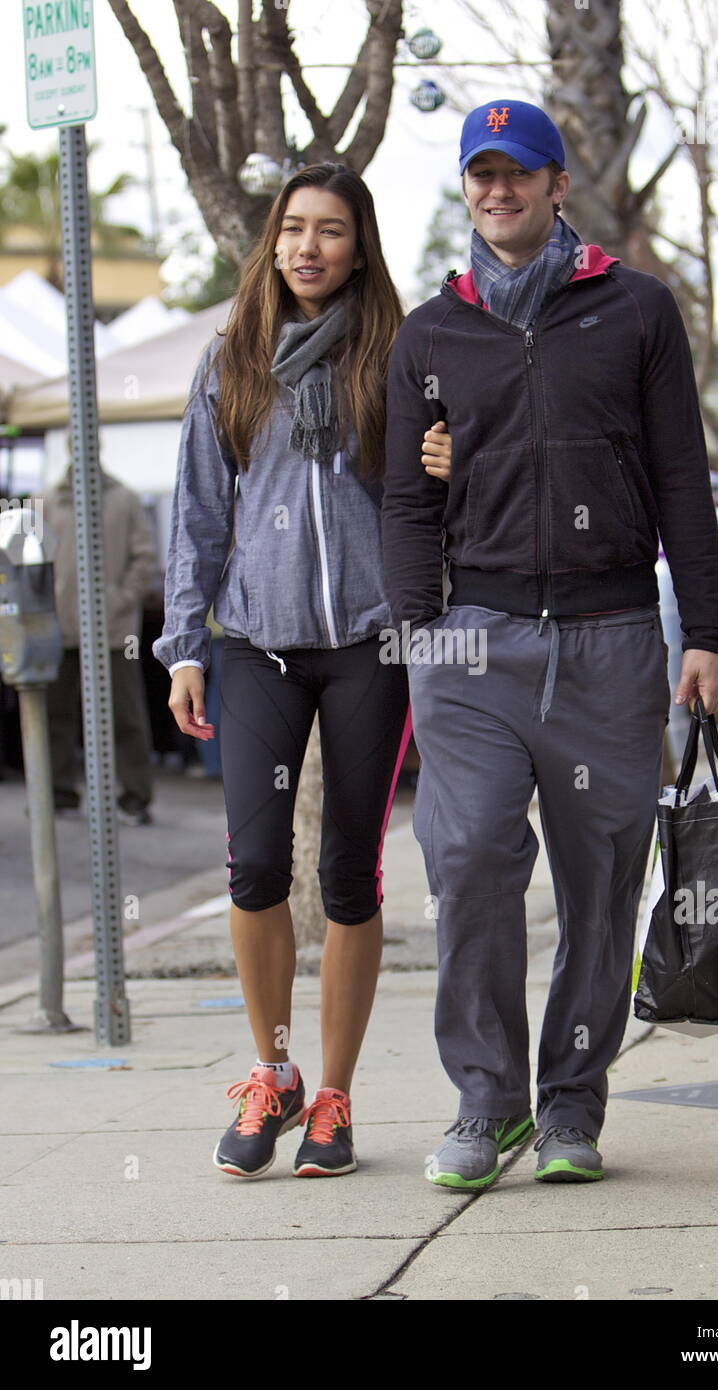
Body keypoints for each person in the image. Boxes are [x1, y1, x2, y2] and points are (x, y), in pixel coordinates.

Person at [381, 99, 718, 1190]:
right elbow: (402, 497)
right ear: (467, 188)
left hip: (613, 633)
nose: (498, 191)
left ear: (555, 183)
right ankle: (485, 1102)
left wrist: (704, 630)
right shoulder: (431, 331)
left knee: (600, 879)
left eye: (517, 173)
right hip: (472, 644)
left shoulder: (634, 310)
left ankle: (571, 1102)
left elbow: (681, 475)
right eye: (480, 175)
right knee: (471, 854)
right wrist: (416, 631)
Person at [153, 162, 452, 1180]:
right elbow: (196, 514)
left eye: (328, 230)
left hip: (372, 646)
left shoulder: (399, 356)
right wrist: (184, 644)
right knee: (253, 867)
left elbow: (436, 501)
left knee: (348, 878)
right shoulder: (231, 360)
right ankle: (269, 1071)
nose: (307, 247)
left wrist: (450, 467)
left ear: (358, 246)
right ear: (271, 243)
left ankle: (333, 1097)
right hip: (257, 646)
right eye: (291, 229)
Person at [44, 455, 158, 826]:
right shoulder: (45, 499)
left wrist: (118, 599)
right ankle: (58, 793)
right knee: (54, 713)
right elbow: (22, 559)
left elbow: (146, 558)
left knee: (125, 714)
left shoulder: (124, 498)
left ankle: (135, 797)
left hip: (113, 630)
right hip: (59, 628)